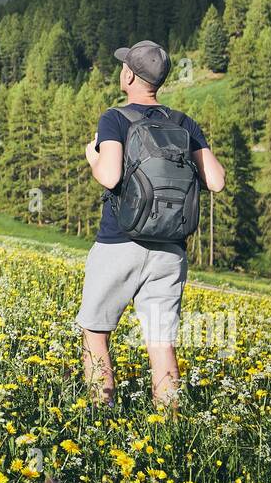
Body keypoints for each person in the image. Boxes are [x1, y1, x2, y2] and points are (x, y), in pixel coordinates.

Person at [80, 40, 225, 409]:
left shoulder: (115, 118)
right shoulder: (183, 123)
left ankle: (99, 418)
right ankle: (170, 432)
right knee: (161, 342)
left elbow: (111, 176)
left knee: (96, 333)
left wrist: (92, 157)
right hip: (170, 250)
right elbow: (217, 181)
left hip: (119, 242)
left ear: (128, 75)